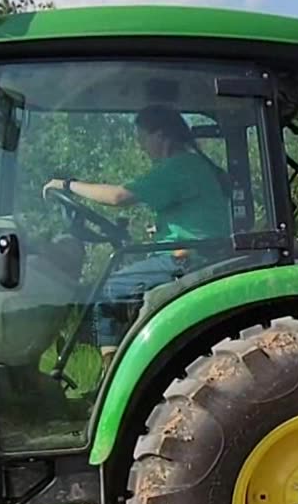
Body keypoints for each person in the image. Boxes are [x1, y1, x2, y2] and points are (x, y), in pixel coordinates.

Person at [42, 106, 230, 350]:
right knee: (122, 284)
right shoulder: (193, 165)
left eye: (142, 138)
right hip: (196, 255)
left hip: (186, 260)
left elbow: (118, 197)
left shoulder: (178, 167)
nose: (141, 146)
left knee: (105, 290)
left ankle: (110, 370)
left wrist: (67, 185)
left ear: (161, 136)